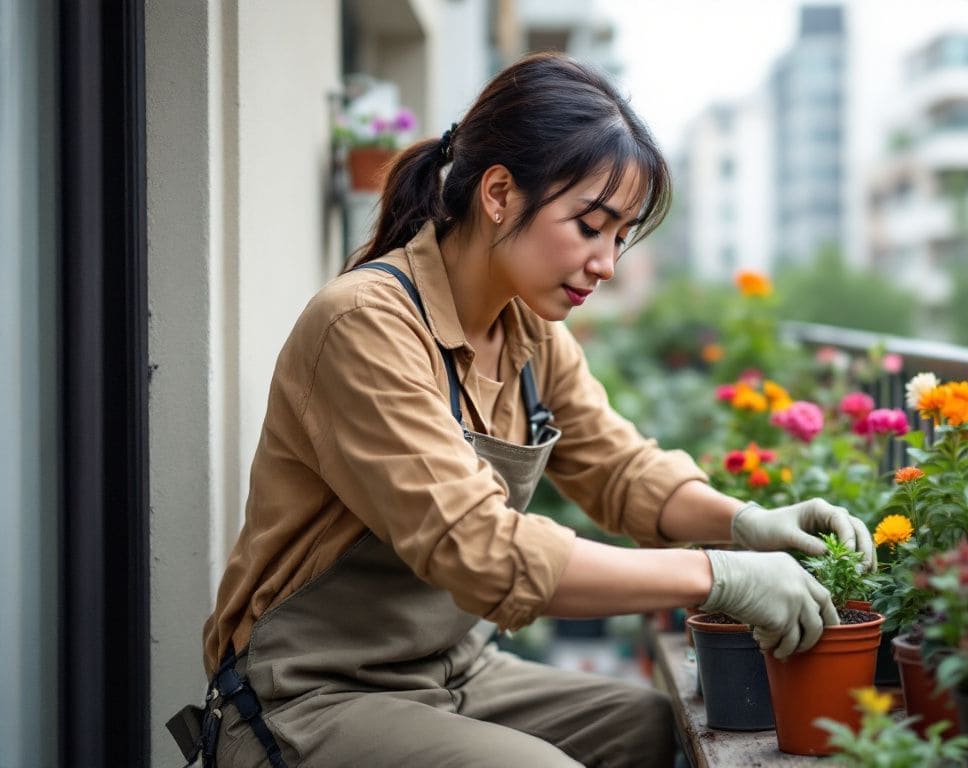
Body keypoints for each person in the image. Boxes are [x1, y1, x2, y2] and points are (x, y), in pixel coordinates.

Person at [170, 52, 875, 768]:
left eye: (620, 236)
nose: (606, 262)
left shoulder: (528, 331)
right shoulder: (364, 324)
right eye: (590, 225)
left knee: (651, 726)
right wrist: (719, 575)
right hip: (310, 696)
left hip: (454, 670)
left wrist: (744, 523)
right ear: (500, 193)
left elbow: (619, 470)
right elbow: (477, 550)